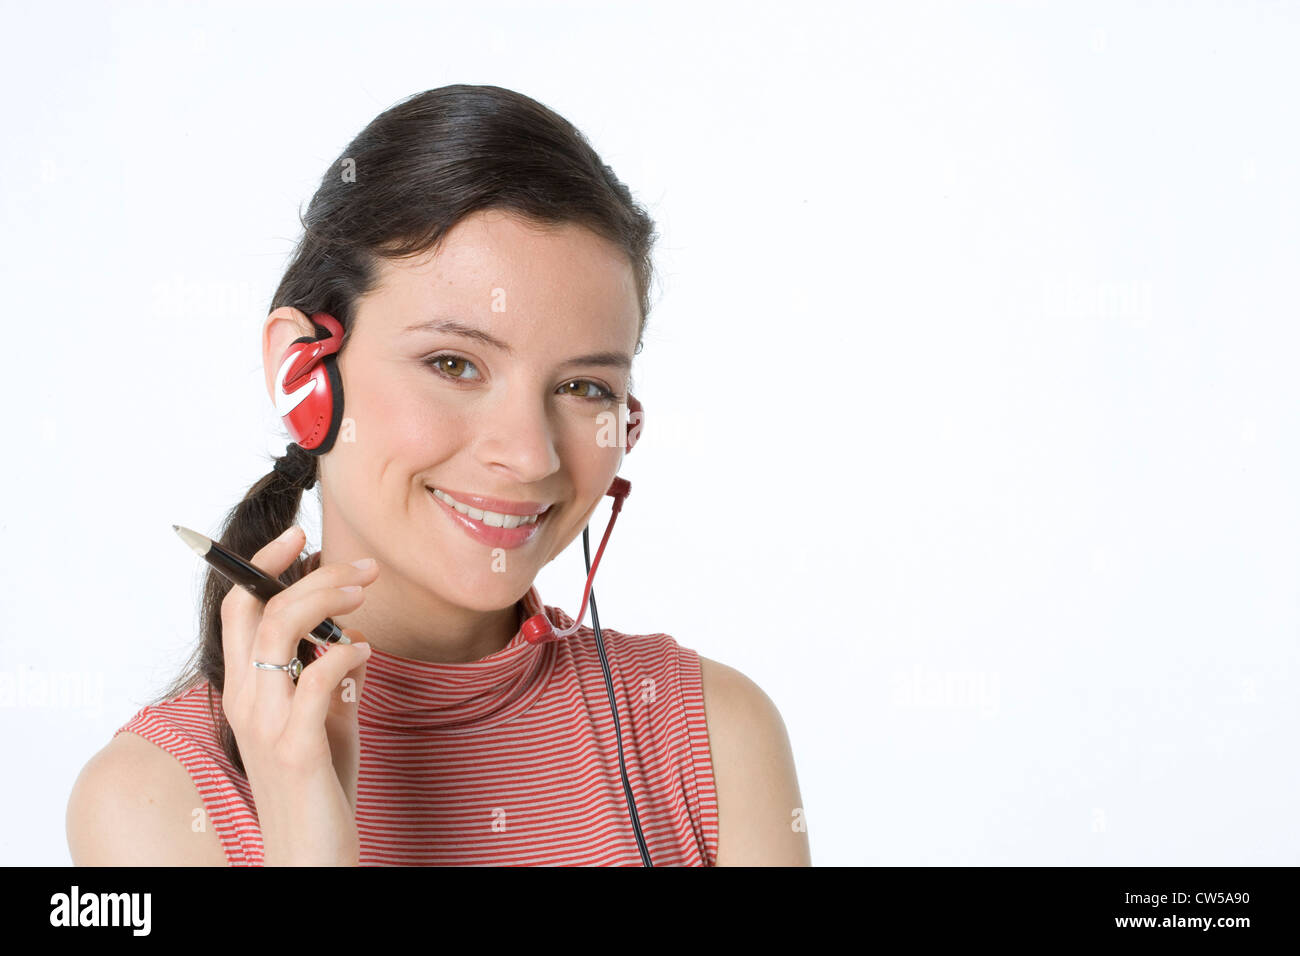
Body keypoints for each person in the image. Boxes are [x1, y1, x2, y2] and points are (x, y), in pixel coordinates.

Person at [66, 84, 810, 866]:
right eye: (453, 364)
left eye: (585, 387)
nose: (530, 455)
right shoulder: (153, 800)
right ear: (304, 374)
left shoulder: (715, 739)